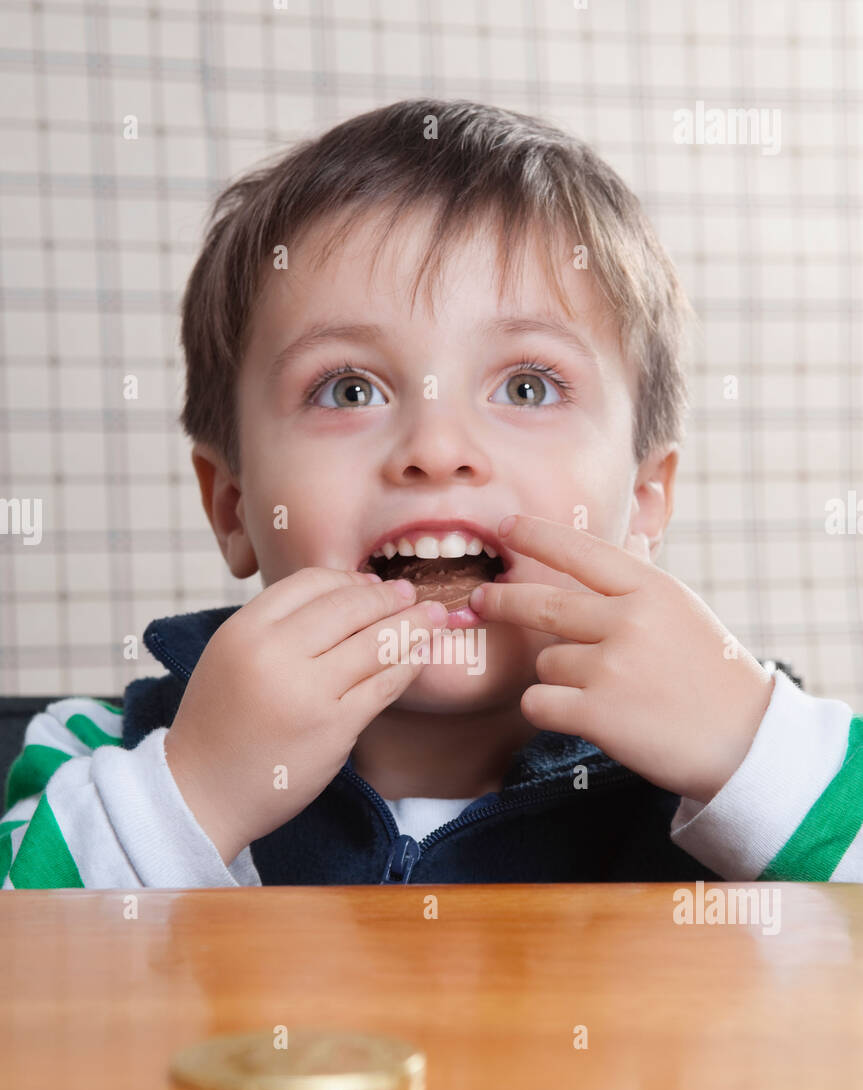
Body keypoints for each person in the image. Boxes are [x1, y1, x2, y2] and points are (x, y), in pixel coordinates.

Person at [3, 99, 855, 888]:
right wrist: (195, 790)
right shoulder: (102, 755)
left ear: (640, 503)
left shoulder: (743, 755)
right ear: (232, 506)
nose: (436, 450)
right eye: (348, 389)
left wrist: (754, 759)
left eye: (526, 387)